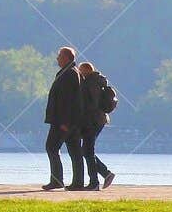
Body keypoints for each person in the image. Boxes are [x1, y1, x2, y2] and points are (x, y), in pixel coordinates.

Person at [43, 47, 83, 189]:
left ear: (66, 58)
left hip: (62, 121)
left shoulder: (69, 74)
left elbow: (68, 101)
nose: (57, 58)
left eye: (59, 55)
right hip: (65, 120)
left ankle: (57, 180)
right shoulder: (70, 73)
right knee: (74, 150)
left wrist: (64, 122)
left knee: (52, 147)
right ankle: (77, 182)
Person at [77, 60, 117, 190]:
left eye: (80, 70)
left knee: (87, 151)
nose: (79, 73)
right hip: (98, 120)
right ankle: (105, 174)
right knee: (87, 150)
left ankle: (95, 182)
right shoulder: (97, 81)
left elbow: (92, 104)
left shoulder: (91, 82)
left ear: (86, 71)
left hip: (93, 121)